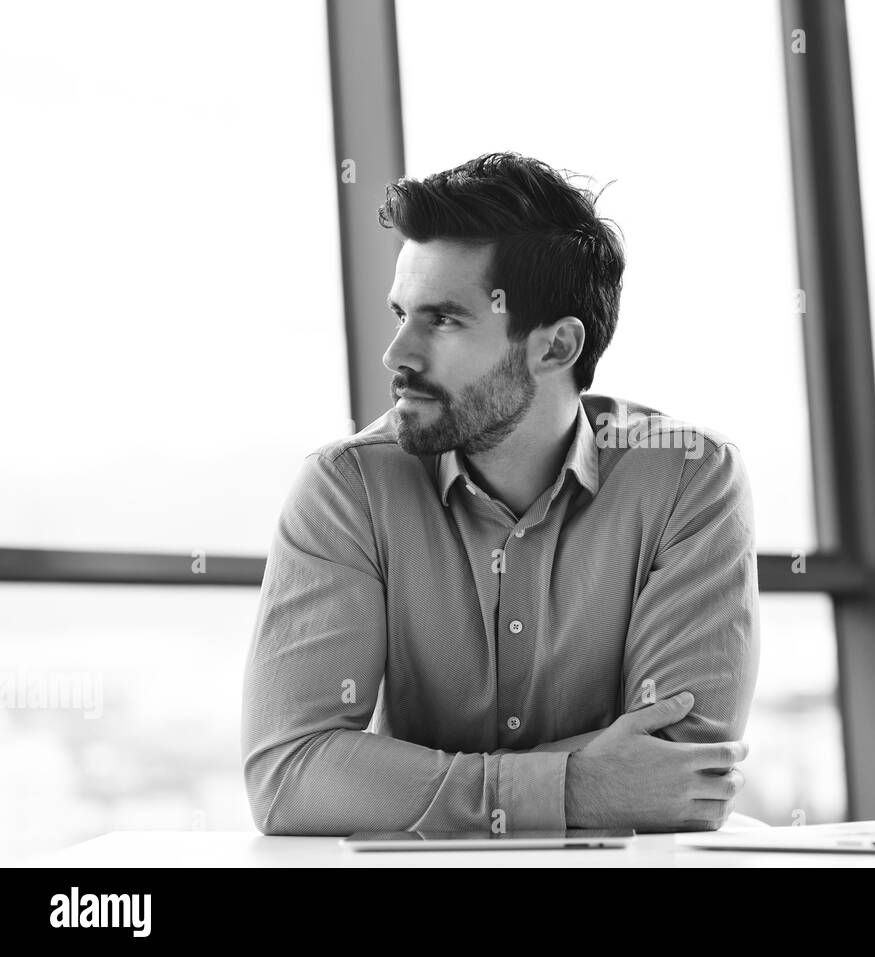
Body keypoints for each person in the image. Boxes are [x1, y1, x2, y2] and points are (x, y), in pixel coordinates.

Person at [241, 152, 759, 836]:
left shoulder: (690, 476)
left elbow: (675, 775)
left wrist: (404, 785)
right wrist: (575, 789)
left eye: (444, 321)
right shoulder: (349, 488)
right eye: (401, 314)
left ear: (555, 347)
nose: (397, 354)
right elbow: (291, 778)